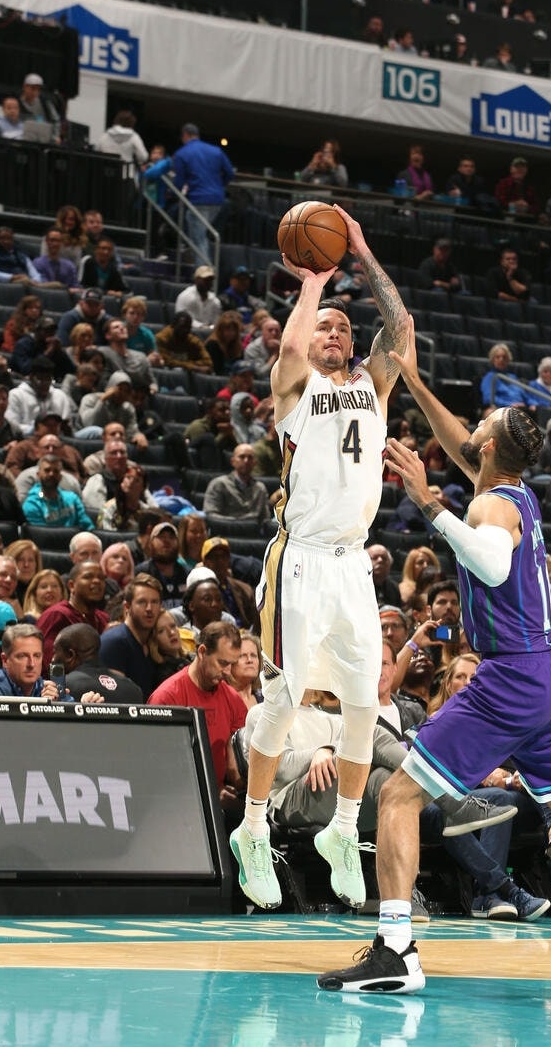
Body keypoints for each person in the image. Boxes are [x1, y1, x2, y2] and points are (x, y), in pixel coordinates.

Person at [318, 326, 551, 993]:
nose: (470, 429)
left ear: (488, 446)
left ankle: (396, 950)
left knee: (397, 794)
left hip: (507, 676)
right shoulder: (517, 492)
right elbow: (460, 445)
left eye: (480, 423)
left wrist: (428, 503)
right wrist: (415, 381)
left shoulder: (483, 504)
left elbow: (486, 557)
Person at [229, 204, 413, 913]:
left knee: (366, 701)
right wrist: (312, 282)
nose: (332, 333)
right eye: (323, 328)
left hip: (350, 565)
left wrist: (359, 251)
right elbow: (287, 356)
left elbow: (399, 332)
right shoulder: (296, 393)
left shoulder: (371, 385)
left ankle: (341, 828)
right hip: (299, 560)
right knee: (283, 697)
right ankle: (251, 827)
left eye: (342, 325)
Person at [149, 621, 246, 791]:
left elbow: (237, 767)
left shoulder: (232, 699)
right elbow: (156, 766)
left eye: (233, 663)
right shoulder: (166, 698)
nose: (228, 672)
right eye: (223, 663)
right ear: (202, 652)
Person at [171, 123, 235, 266]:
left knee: (198, 239)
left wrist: (177, 193)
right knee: (201, 234)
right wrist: (219, 186)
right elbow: (230, 173)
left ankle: (204, 274)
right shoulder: (216, 151)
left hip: (198, 199)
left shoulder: (182, 153)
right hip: (218, 200)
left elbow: (178, 183)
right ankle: (202, 266)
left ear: (185, 135)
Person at [36, 560, 109, 670]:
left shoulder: (104, 618)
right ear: (71, 585)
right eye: (88, 577)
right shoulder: (57, 615)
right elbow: (51, 665)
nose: (97, 581)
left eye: (101, 578)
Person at [98, 574, 162, 697]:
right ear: (127, 606)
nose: (149, 608)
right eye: (142, 602)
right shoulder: (115, 642)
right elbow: (114, 696)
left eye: (154, 602)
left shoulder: (152, 643)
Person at [51, 623, 143, 704]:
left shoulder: (63, 687)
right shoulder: (134, 690)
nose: (53, 659)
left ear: (70, 655)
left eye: (55, 652)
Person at [0, 625, 67, 699]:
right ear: (5, 660)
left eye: (37, 656)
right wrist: (42, 709)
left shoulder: (47, 689)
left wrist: (56, 706)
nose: (31, 664)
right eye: (22, 656)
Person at [202, 444, 273, 528]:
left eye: (250, 457)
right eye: (242, 457)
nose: (246, 461)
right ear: (232, 461)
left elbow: (265, 519)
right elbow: (211, 515)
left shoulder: (260, 488)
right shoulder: (219, 484)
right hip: (225, 531)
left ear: (255, 463)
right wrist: (239, 523)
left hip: (252, 535)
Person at [174, 265, 222, 339]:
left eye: (210, 280)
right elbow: (181, 318)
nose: (208, 282)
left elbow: (216, 322)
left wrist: (210, 328)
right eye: (205, 279)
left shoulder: (215, 301)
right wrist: (201, 326)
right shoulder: (185, 296)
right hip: (187, 334)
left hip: (209, 335)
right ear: (196, 279)